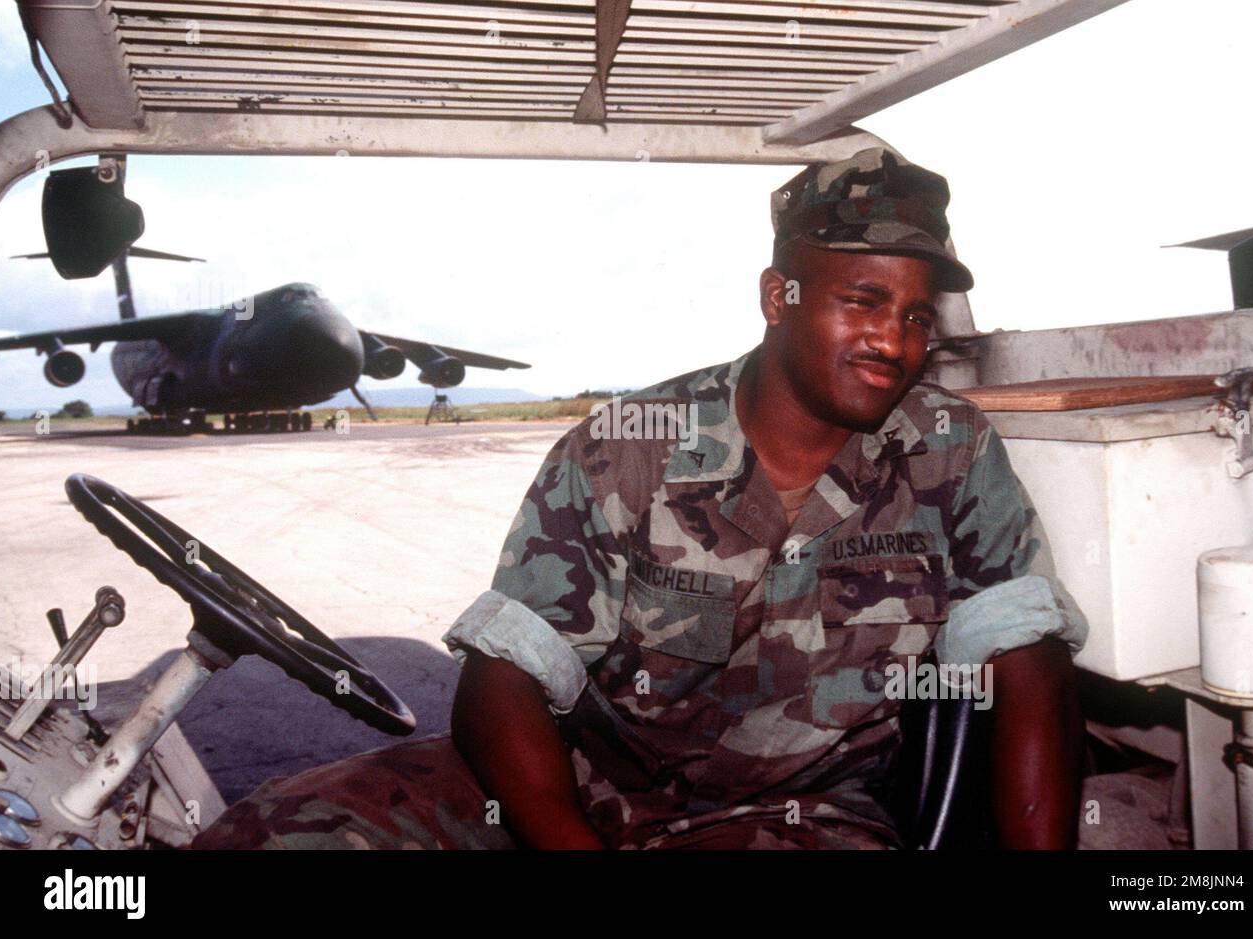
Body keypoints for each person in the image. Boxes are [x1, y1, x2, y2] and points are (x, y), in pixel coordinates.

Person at [192, 146, 1088, 851]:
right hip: (572, 784)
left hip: (800, 817)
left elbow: (1028, 665)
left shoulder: (948, 449)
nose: (893, 340)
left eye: (917, 316)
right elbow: (500, 681)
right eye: (864, 301)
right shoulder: (629, 445)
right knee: (278, 832)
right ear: (779, 296)